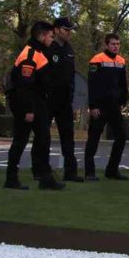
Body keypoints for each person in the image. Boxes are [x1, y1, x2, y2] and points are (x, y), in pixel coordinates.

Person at [4, 21, 64, 190]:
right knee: (21, 141)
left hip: (37, 103)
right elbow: (25, 86)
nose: (52, 39)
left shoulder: (39, 53)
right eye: (51, 36)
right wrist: (28, 110)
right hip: (28, 104)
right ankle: (11, 178)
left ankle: (45, 177)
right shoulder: (30, 55)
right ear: (41, 36)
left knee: (43, 139)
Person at [84, 33, 129, 181]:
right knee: (93, 139)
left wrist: (124, 101)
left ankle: (112, 170)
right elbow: (92, 85)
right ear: (106, 45)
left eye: (118, 44)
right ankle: (89, 172)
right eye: (113, 44)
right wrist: (93, 106)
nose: (116, 46)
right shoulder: (97, 60)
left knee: (121, 137)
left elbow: (123, 84)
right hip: (100, 107)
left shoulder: (121, 61)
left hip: (115, 107)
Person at [44, 17, 82, 182]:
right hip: (48, 99)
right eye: (66, 30)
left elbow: (71, 75)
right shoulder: (48, 48)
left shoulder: (69, 49)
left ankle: (71, 172)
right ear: (57, 30)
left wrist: (71, 95)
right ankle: (41, 171)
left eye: (70, 30)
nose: (69, 33)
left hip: (65, 100)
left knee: (68, 137)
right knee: (43, 136)